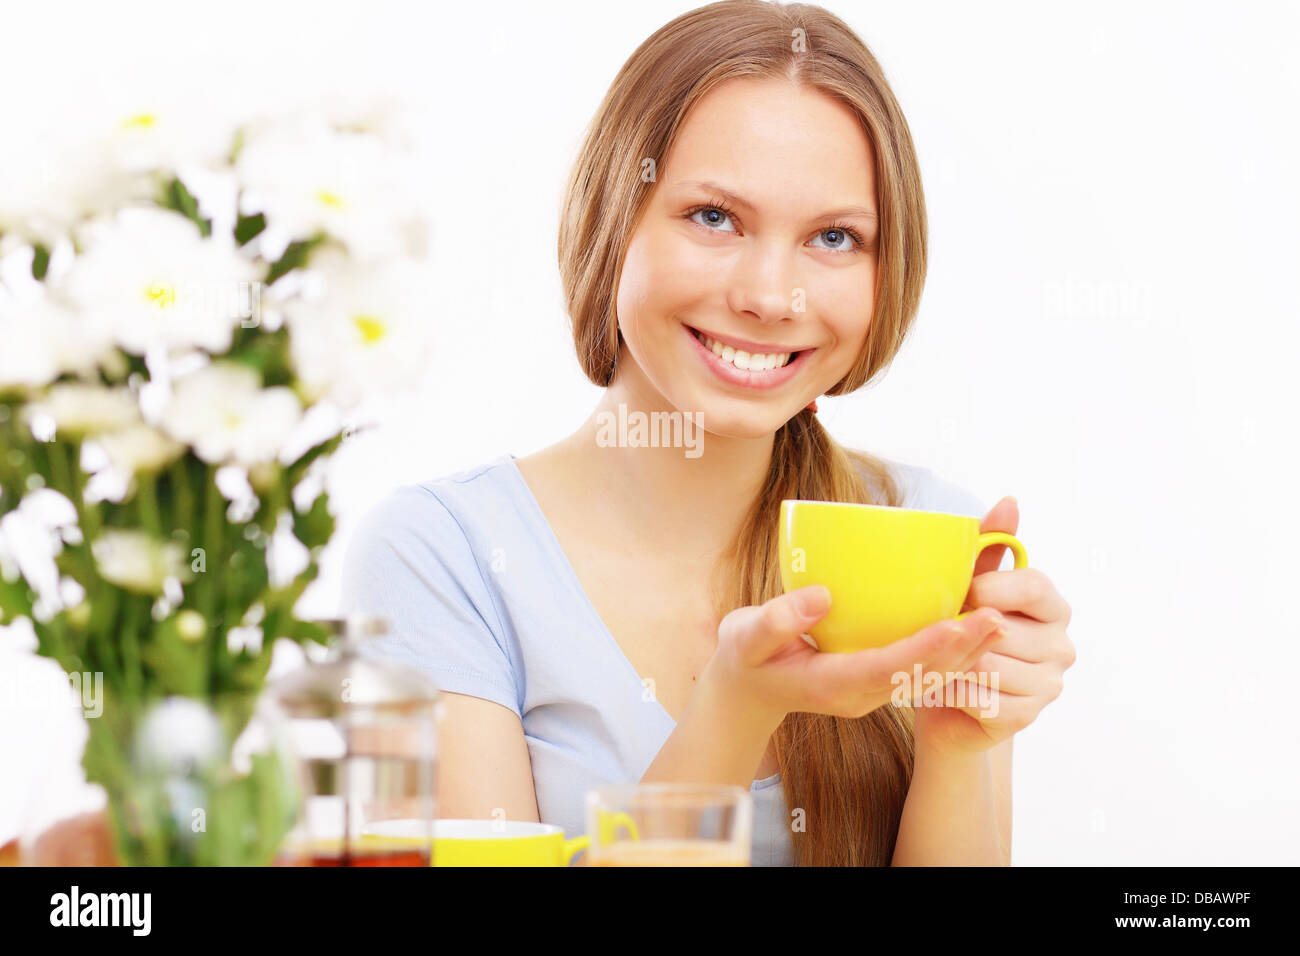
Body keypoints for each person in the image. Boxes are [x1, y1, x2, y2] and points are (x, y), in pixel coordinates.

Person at [341, 0, 1075, 866]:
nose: (772, 295)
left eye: (835, 237)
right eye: (715, 217)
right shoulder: (444, 557)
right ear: (614, 222)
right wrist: (733, 713)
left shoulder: (931, 532)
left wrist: (956, 746)